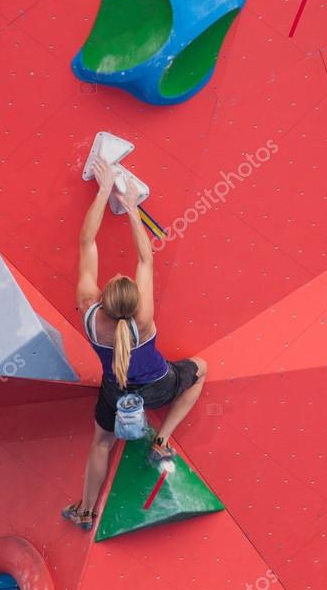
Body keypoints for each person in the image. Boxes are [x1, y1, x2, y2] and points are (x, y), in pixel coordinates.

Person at [62, 158, 208, 531]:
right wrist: (131, 208)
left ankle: (86, 512)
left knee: (100, 444)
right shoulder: (143, 318)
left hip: (117, 392)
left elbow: (86, 242)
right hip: (158, 387)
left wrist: (102, 187)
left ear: (103, 298)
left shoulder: (90, 314)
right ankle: (161, 439)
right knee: (200, 369)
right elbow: (146, 257)